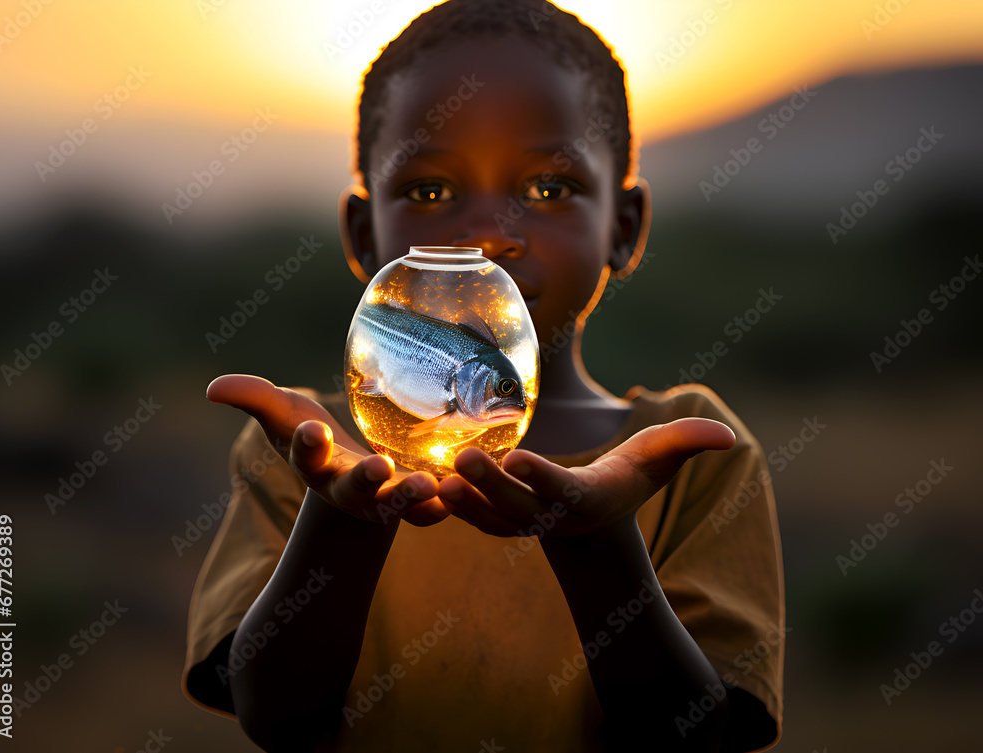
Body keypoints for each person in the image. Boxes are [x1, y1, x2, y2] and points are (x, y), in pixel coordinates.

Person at [181, 1, 785, 750]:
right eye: (431, 191)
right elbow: (276, 717)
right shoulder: (305, 447)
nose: (490, 231)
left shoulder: (685, 461)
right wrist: (339, 519)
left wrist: (597, 543)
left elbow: (693, 732)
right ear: (365, 238)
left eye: (551, 188)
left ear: (623, 229)